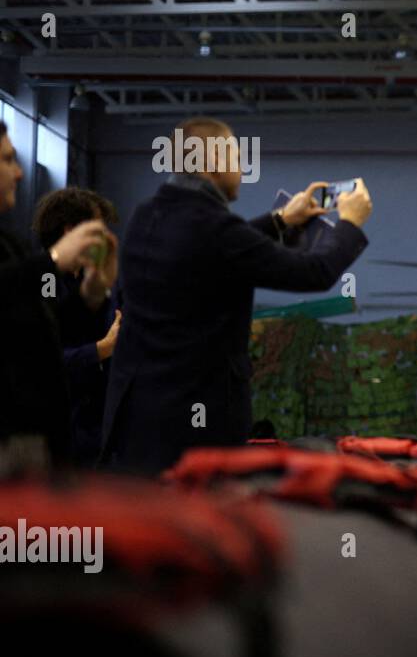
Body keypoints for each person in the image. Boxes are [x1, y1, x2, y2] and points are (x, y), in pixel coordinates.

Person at [101, 116, 373, 474]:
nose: (243, 169)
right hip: (196, 422)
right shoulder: (216, 229)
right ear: (213, 163)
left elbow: (208, 248)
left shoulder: (146, 214)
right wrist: (349, 224)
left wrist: (280, 220)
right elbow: (314, 272)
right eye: (235, 158)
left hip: (138, 416)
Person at [0, 121, 116, 464]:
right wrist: (100, 349)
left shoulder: (13, 248)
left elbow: (45, 332)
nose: (19, 173)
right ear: (70, 230)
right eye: (7, 160)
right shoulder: (41, 270)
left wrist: (91, 297)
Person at [33, 187, 123, 466]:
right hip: (57, 434)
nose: (107, 240)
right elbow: (38, 360)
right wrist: (101, 349)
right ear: (71, 230)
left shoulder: (94, 278)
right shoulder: (37, 280)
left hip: (99, 430)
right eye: (98, 230)